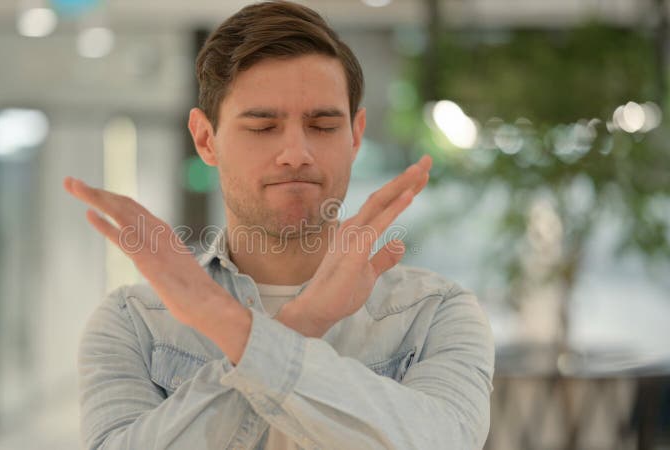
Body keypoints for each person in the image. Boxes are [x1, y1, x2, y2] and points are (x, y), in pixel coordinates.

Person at [63, 1, 494, 449]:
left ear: (356, 135)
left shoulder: (433, 315)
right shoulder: (136, 325)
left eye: (323, 125)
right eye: (263, 126)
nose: (296, 152)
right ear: (206, 139)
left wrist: (228, 326)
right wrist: (307, 319)